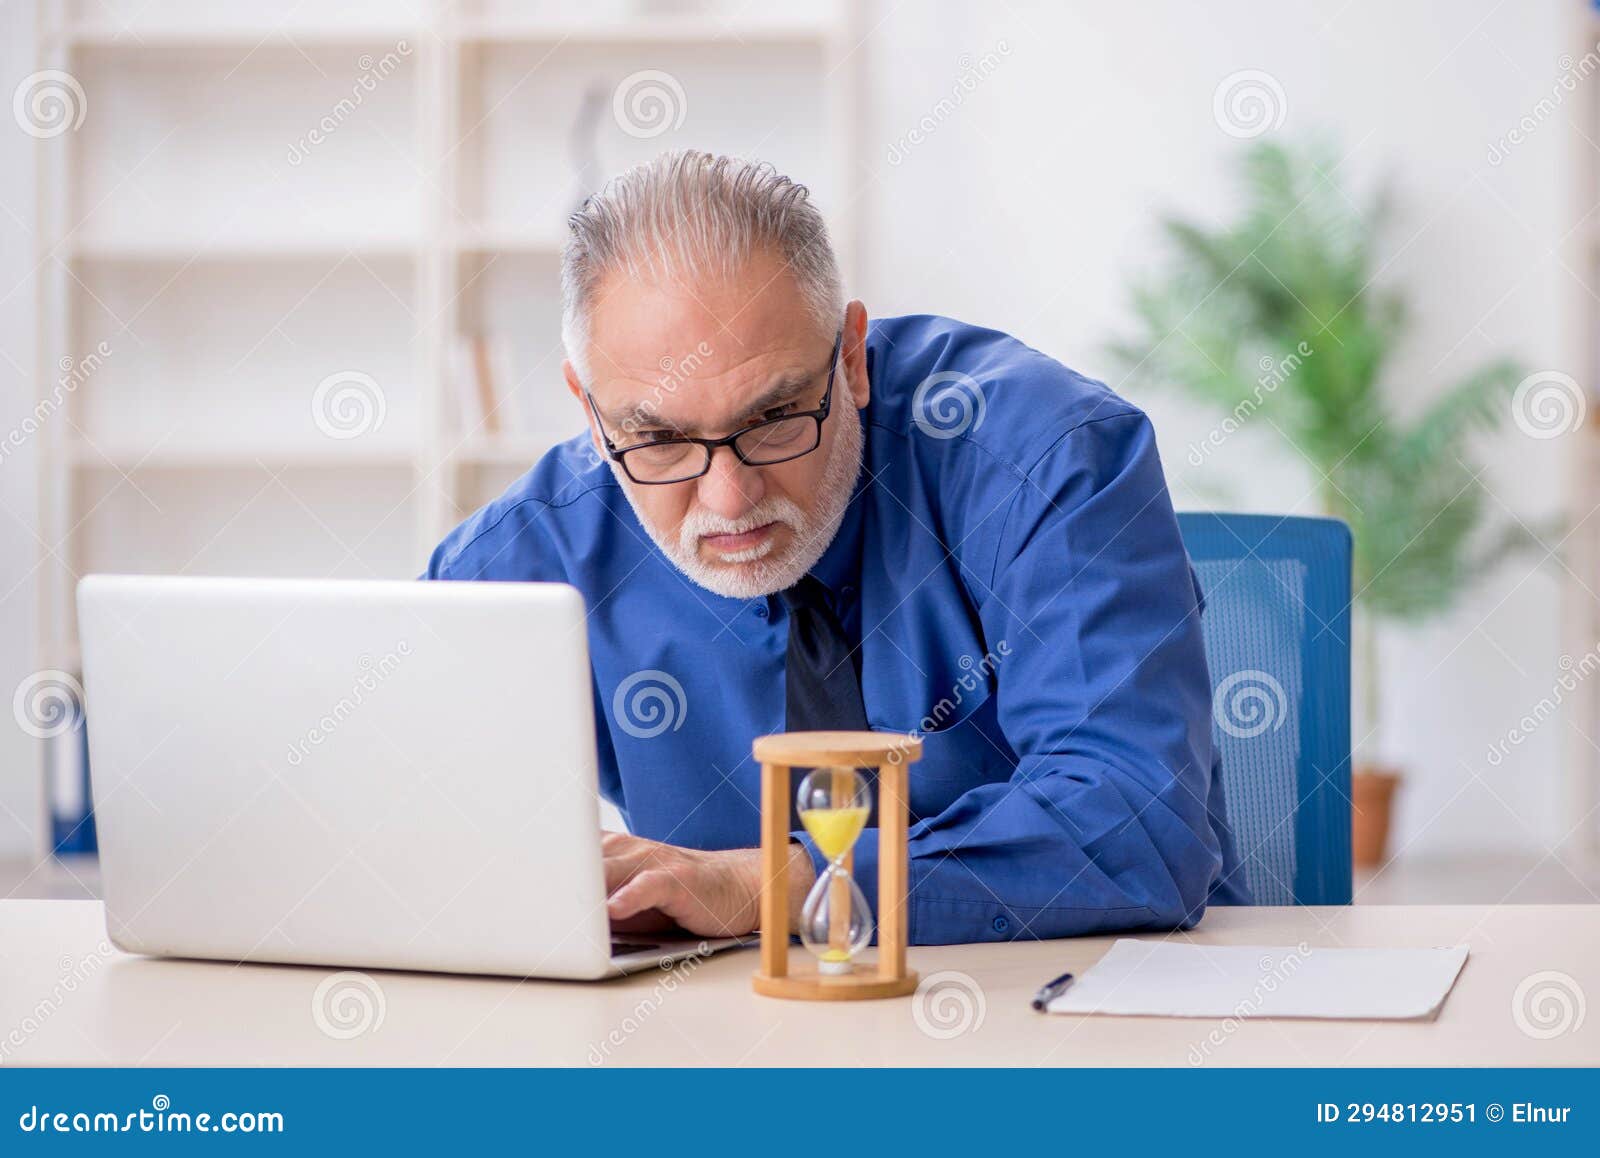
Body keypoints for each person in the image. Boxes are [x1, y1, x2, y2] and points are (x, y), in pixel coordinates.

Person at [425, 150, 1248, 945]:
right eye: (660, 438)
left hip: (1078, 1023)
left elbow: (1139, 826)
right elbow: (408, 848)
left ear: (851, 357)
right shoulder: (517, 567)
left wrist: (774, 886)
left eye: (775, 418)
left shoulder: (1045, 459)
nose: (729, 498)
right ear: (590, 409)